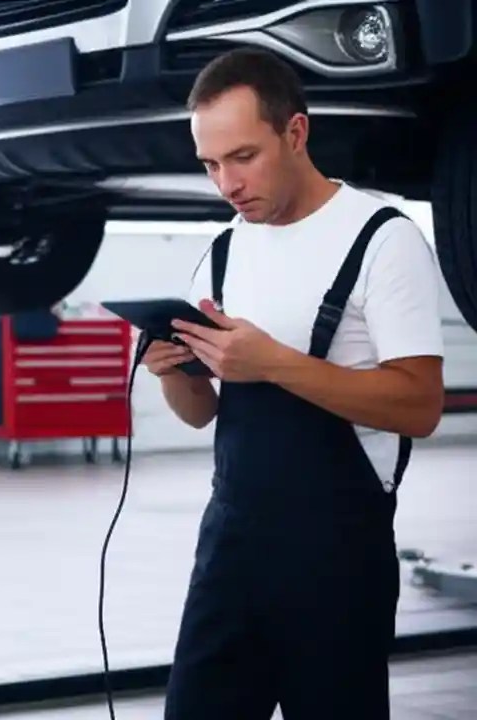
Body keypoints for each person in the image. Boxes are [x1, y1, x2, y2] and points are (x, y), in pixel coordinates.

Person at [142, 47, 447, 719]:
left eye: (243, 157)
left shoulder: (381, 240)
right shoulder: (221, 252)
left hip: (337, 556)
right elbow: (200, 414)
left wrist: (271, 362)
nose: (227, 183)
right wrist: (177, 372)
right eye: (211, 164)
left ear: (296, 132)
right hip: (230, 547)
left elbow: (421, 406)